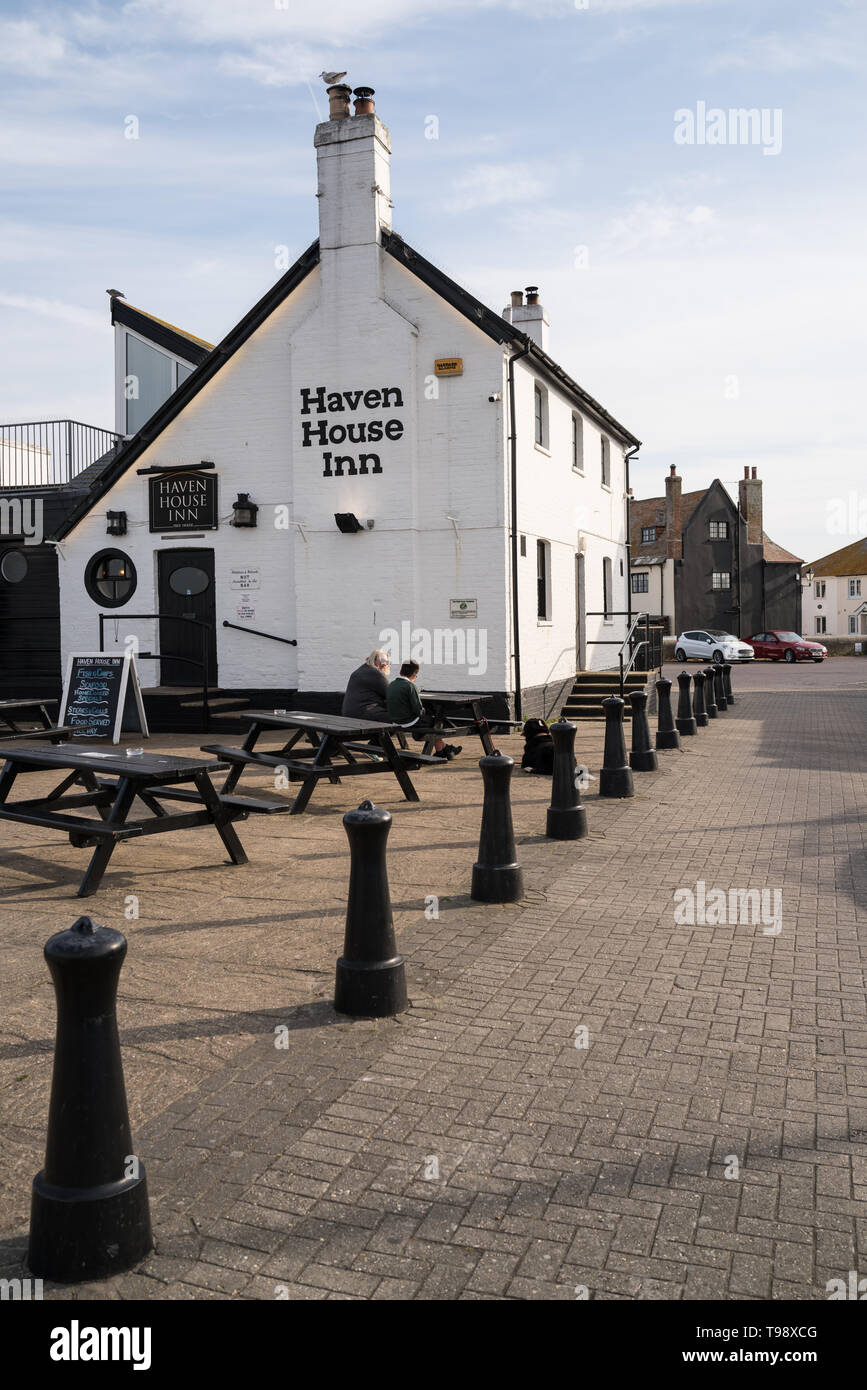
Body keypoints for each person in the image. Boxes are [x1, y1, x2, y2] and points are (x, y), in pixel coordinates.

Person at [385, 659, 461, 760]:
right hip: (409, 721)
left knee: (432, 723)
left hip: (395, 720)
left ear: (400, 672)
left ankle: (444, 749)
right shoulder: (410, 686)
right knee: (437, 722)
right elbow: (418, 711)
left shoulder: (391, 685)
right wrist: (425, 710)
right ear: (414, 675)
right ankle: (443, 750)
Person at [342, 649, 391, 721]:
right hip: (363, 713)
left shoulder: (359, 671)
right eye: (382, 660)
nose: (384, 664)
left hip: (349, 713)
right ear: (374, 659)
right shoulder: (375, 673)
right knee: (397, 717)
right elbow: (390, 693)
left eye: (386, 661)